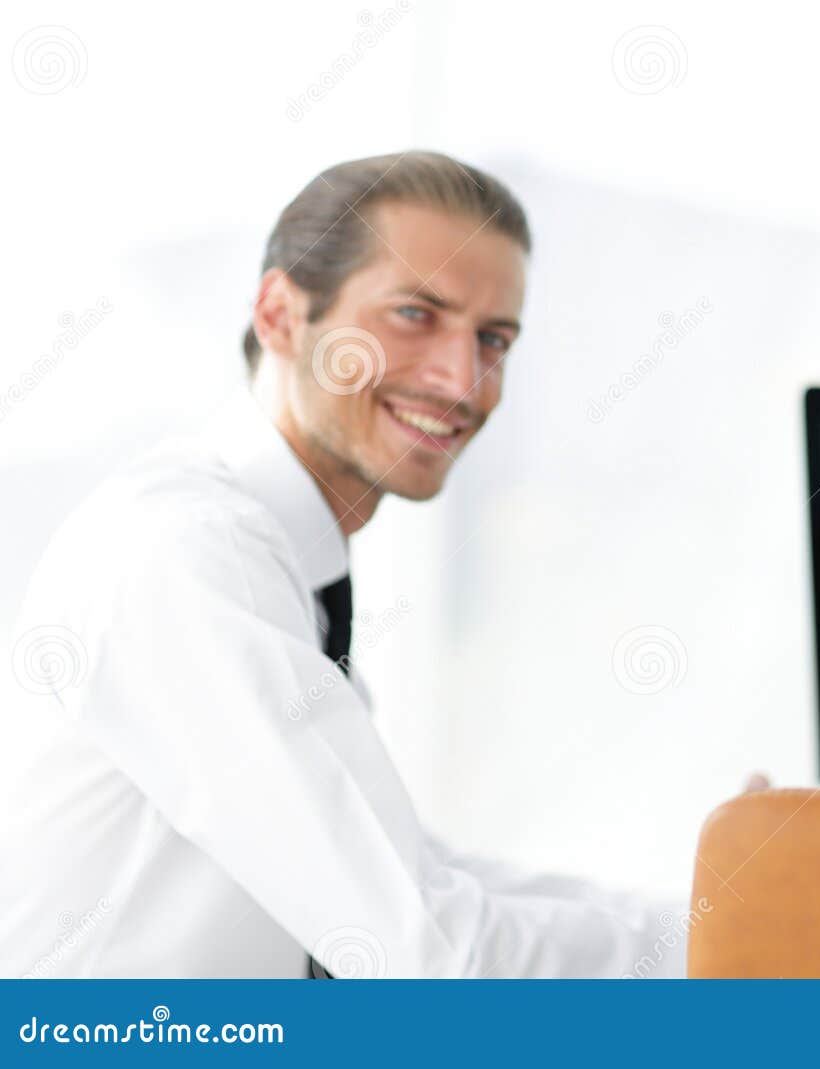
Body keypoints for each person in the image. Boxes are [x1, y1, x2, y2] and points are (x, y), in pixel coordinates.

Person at [1, 152, 697, 977]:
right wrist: (734, 945)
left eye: (493, 339)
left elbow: (419, 878)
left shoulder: (279, 560)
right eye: (414, 313)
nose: (462, 379)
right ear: (280, 315)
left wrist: (718, 916)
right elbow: (427, 954)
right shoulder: (192, 551)